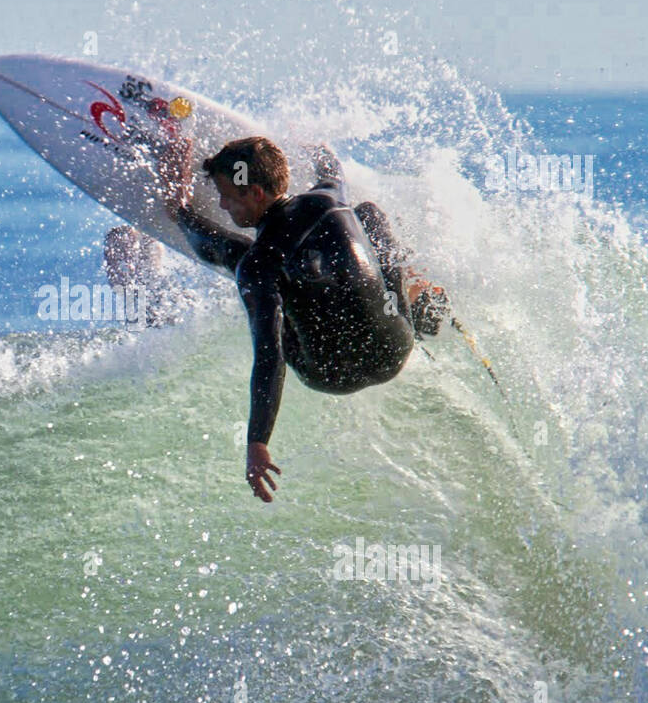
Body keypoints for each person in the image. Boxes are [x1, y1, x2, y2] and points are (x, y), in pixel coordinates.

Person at [158, 136, 447, 502]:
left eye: (228, 196)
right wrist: (316, 145)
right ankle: (414, 298)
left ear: (257, 193)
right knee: (368, 214)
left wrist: (258, 441)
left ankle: (179, 208)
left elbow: (269, 354)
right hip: (395, 349)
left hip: (329, 374)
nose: (221, 204)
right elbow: (332, 170)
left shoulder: (257, 264)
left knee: (243, 257)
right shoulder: (329, 198)